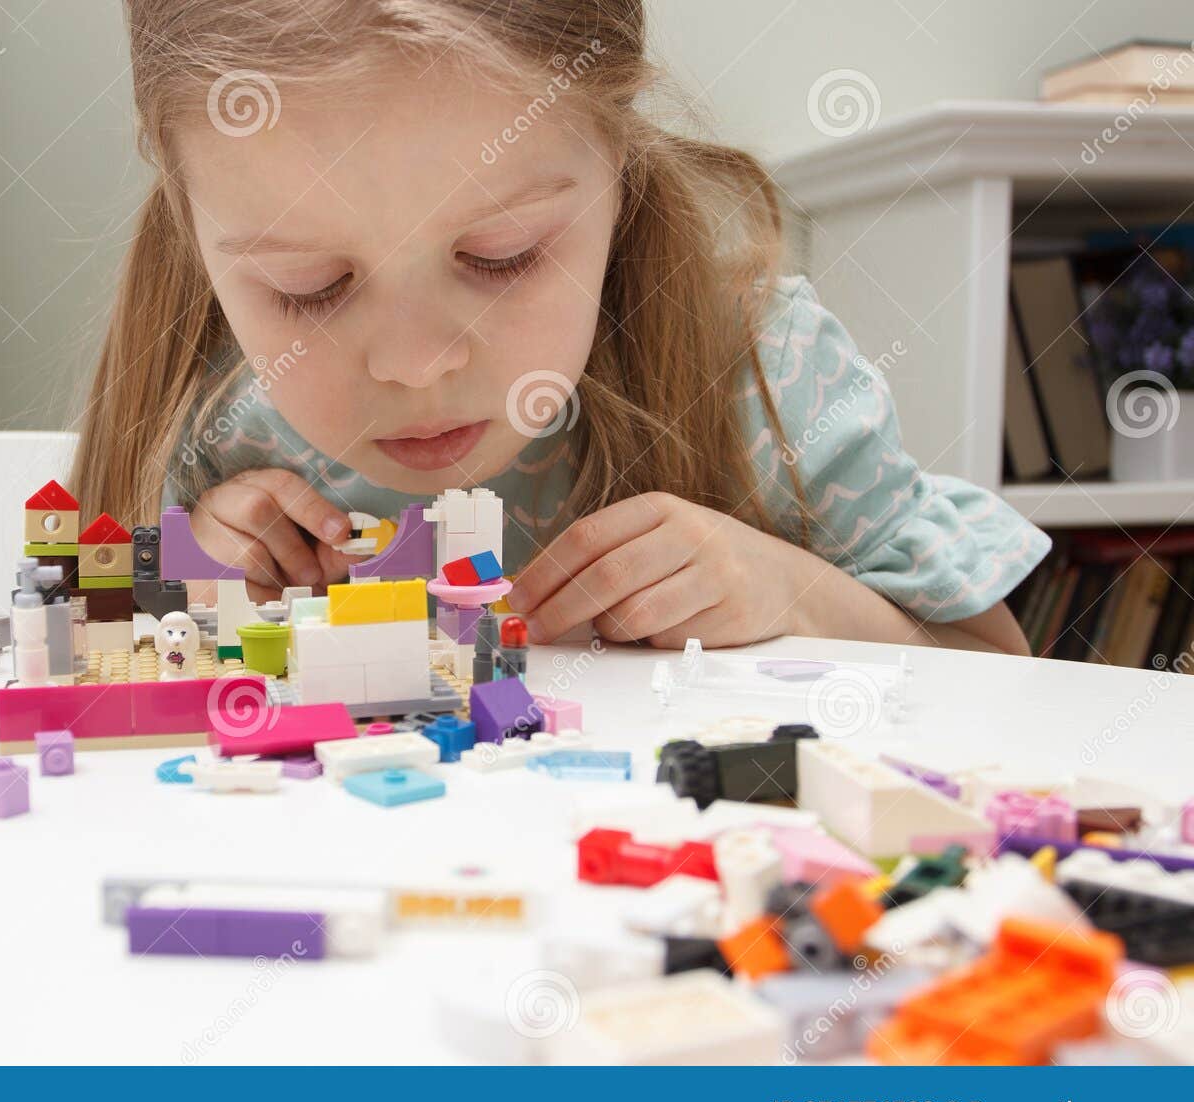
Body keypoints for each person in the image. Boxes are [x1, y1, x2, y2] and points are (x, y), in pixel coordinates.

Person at [71, 0, 1047, 653]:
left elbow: (1000, 671)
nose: (416, 365)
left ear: (617, 170)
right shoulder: (212, 415)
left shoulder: (765, 378)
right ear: (190, 223)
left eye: (500, 256)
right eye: (308, 286)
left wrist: (795, 596)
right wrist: (190, 583)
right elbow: (77, 656)